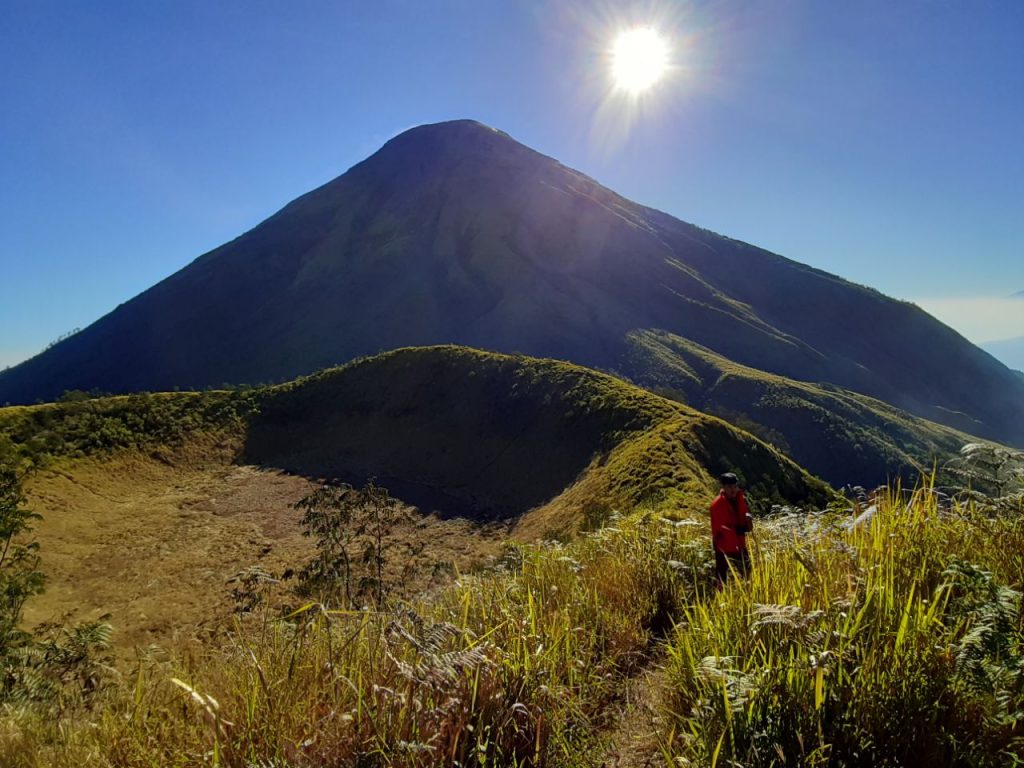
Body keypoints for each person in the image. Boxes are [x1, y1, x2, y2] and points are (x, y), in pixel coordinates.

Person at [710, 472, 753, 586]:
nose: (733, 490)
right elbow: (721, 527)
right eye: (729, 487)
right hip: (724, 546)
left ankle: (748, 592)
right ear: (723, 487)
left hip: (739, 543)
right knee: (721, 578)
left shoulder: (740, 499)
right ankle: (720, 596)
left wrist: (748, 522)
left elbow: (745, 514)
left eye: (734, 486)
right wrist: (740, 529)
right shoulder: (717, 504)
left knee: (748, 572)